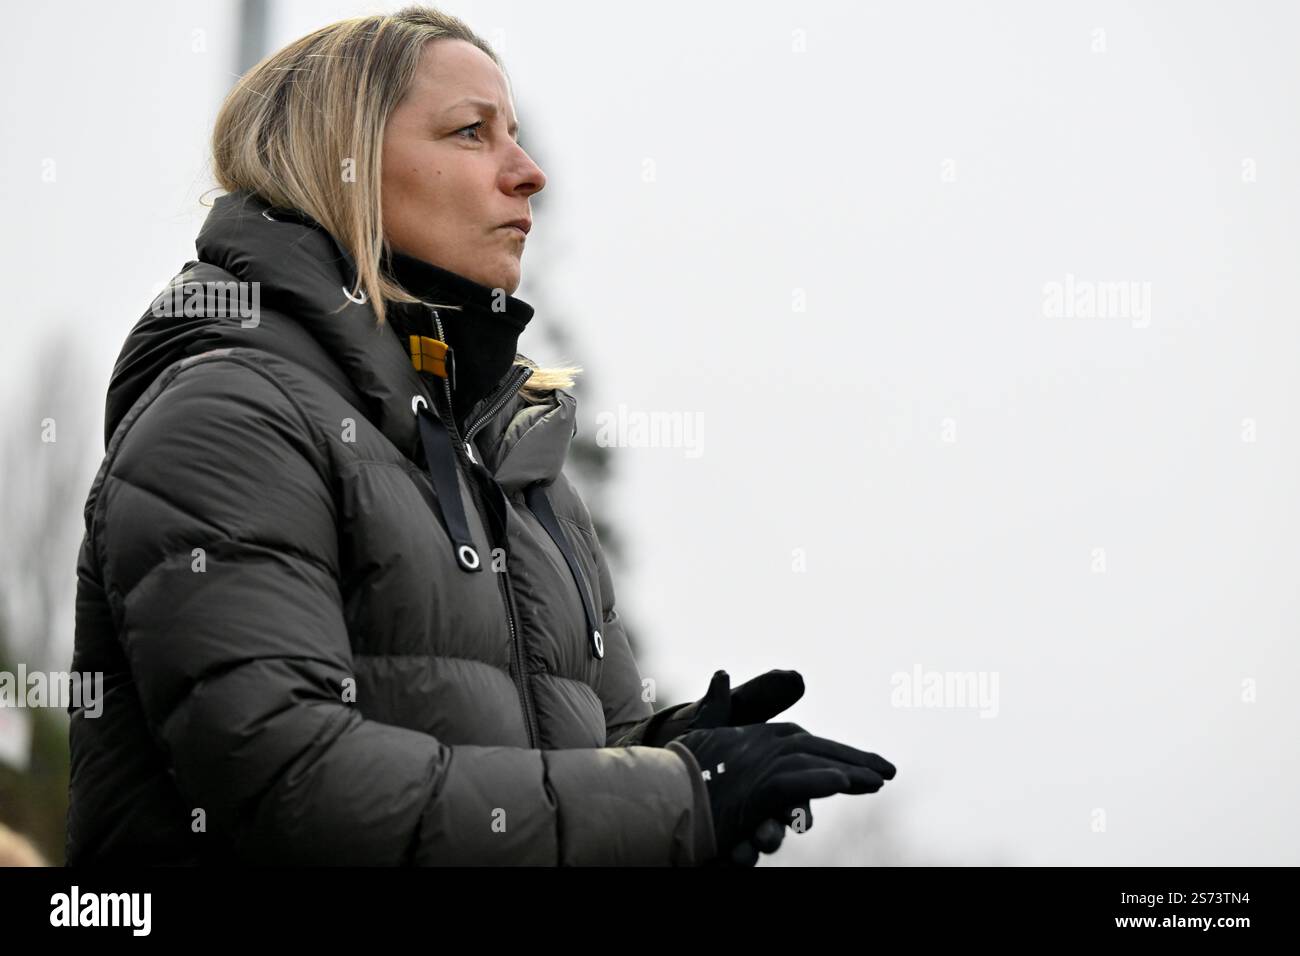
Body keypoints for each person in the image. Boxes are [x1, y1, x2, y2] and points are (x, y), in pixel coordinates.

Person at [65, 5, 896, 866]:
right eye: (472, 133)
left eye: (517, 135)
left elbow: (548, 763)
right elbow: (293, 785)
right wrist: (675, 794)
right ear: (338, 168)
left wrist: (677, 749)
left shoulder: (512, 459)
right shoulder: (231, 417)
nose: (529, 174)